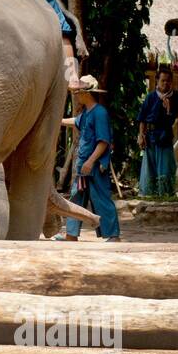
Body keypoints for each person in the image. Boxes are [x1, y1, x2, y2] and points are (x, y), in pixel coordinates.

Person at [56, 75, 120, 241]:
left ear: (87, 93)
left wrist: (90, 161)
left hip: (94, 166)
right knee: (76, 198)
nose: (76, 95)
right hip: (84, 166)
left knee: (101, 199)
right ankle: (71, 234)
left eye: (78, 92)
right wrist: (57, 120)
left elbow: (103, 142)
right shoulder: (87, 113)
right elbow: (75, 122)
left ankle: (113, 234)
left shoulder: (100, 113)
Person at [137, 66, 178, 197]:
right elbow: (142, 118)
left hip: (164, 136)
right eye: (163, 80)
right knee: (149, 166)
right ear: (157, 81)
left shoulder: (175, 96)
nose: (166, 83)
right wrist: (141, 135)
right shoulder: (151, 97)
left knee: (165, 166)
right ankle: (149, 193)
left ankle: (165, 194)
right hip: (150, 136)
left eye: (168, 81)